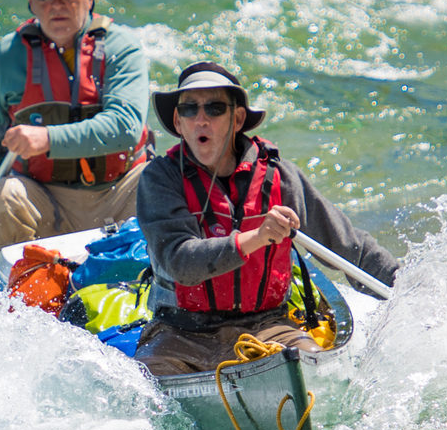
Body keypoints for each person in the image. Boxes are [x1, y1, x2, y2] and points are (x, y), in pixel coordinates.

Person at [134, 61, 398, 376]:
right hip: (180, 334)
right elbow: (180, 263)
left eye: (215, 108)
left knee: (309, 365)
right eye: (189, 110)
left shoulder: (280, 177)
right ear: (178, 122)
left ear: (238, 119)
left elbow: (349, 249)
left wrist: (406, 286)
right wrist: (257, 237)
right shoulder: (159, 180)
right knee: (151, 381)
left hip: (269, 326)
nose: (200, 119)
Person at [0, 0, 151, 257]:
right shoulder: (5, 59)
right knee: (0, 196)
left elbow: (125, 128)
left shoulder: (122, 48)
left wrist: (46, 138)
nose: (57, 4)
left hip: (119, 193)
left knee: (165, 180)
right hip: (45, 201)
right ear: (30, 0)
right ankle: (17, 292)